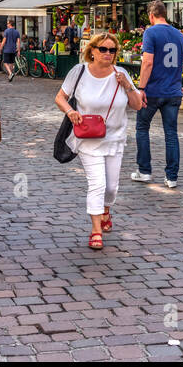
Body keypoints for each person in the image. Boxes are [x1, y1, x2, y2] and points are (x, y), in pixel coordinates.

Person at [56, 32, 144, 250]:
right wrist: (70, 112)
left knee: (111, 187)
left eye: (112, 50)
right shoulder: (79, 72)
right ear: (92, 51)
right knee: (97, 183)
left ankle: (106, 209)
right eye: (103, 49)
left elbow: (137, 105)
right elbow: (60, 97)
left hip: (114, 138)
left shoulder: (121, 73)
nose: (108, 54)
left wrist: (128, 85)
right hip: (87, 138)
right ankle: (96, 230)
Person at [132, 0, 183, 188]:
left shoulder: (150, 32)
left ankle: (144, 170)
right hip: (173, 90)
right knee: (171, 133)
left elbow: (147, 62)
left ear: (151, 15)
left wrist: (141, 88)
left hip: (153, 91)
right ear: (165, 14)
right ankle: (172, 177)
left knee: (142, 127)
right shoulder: (179, 35)